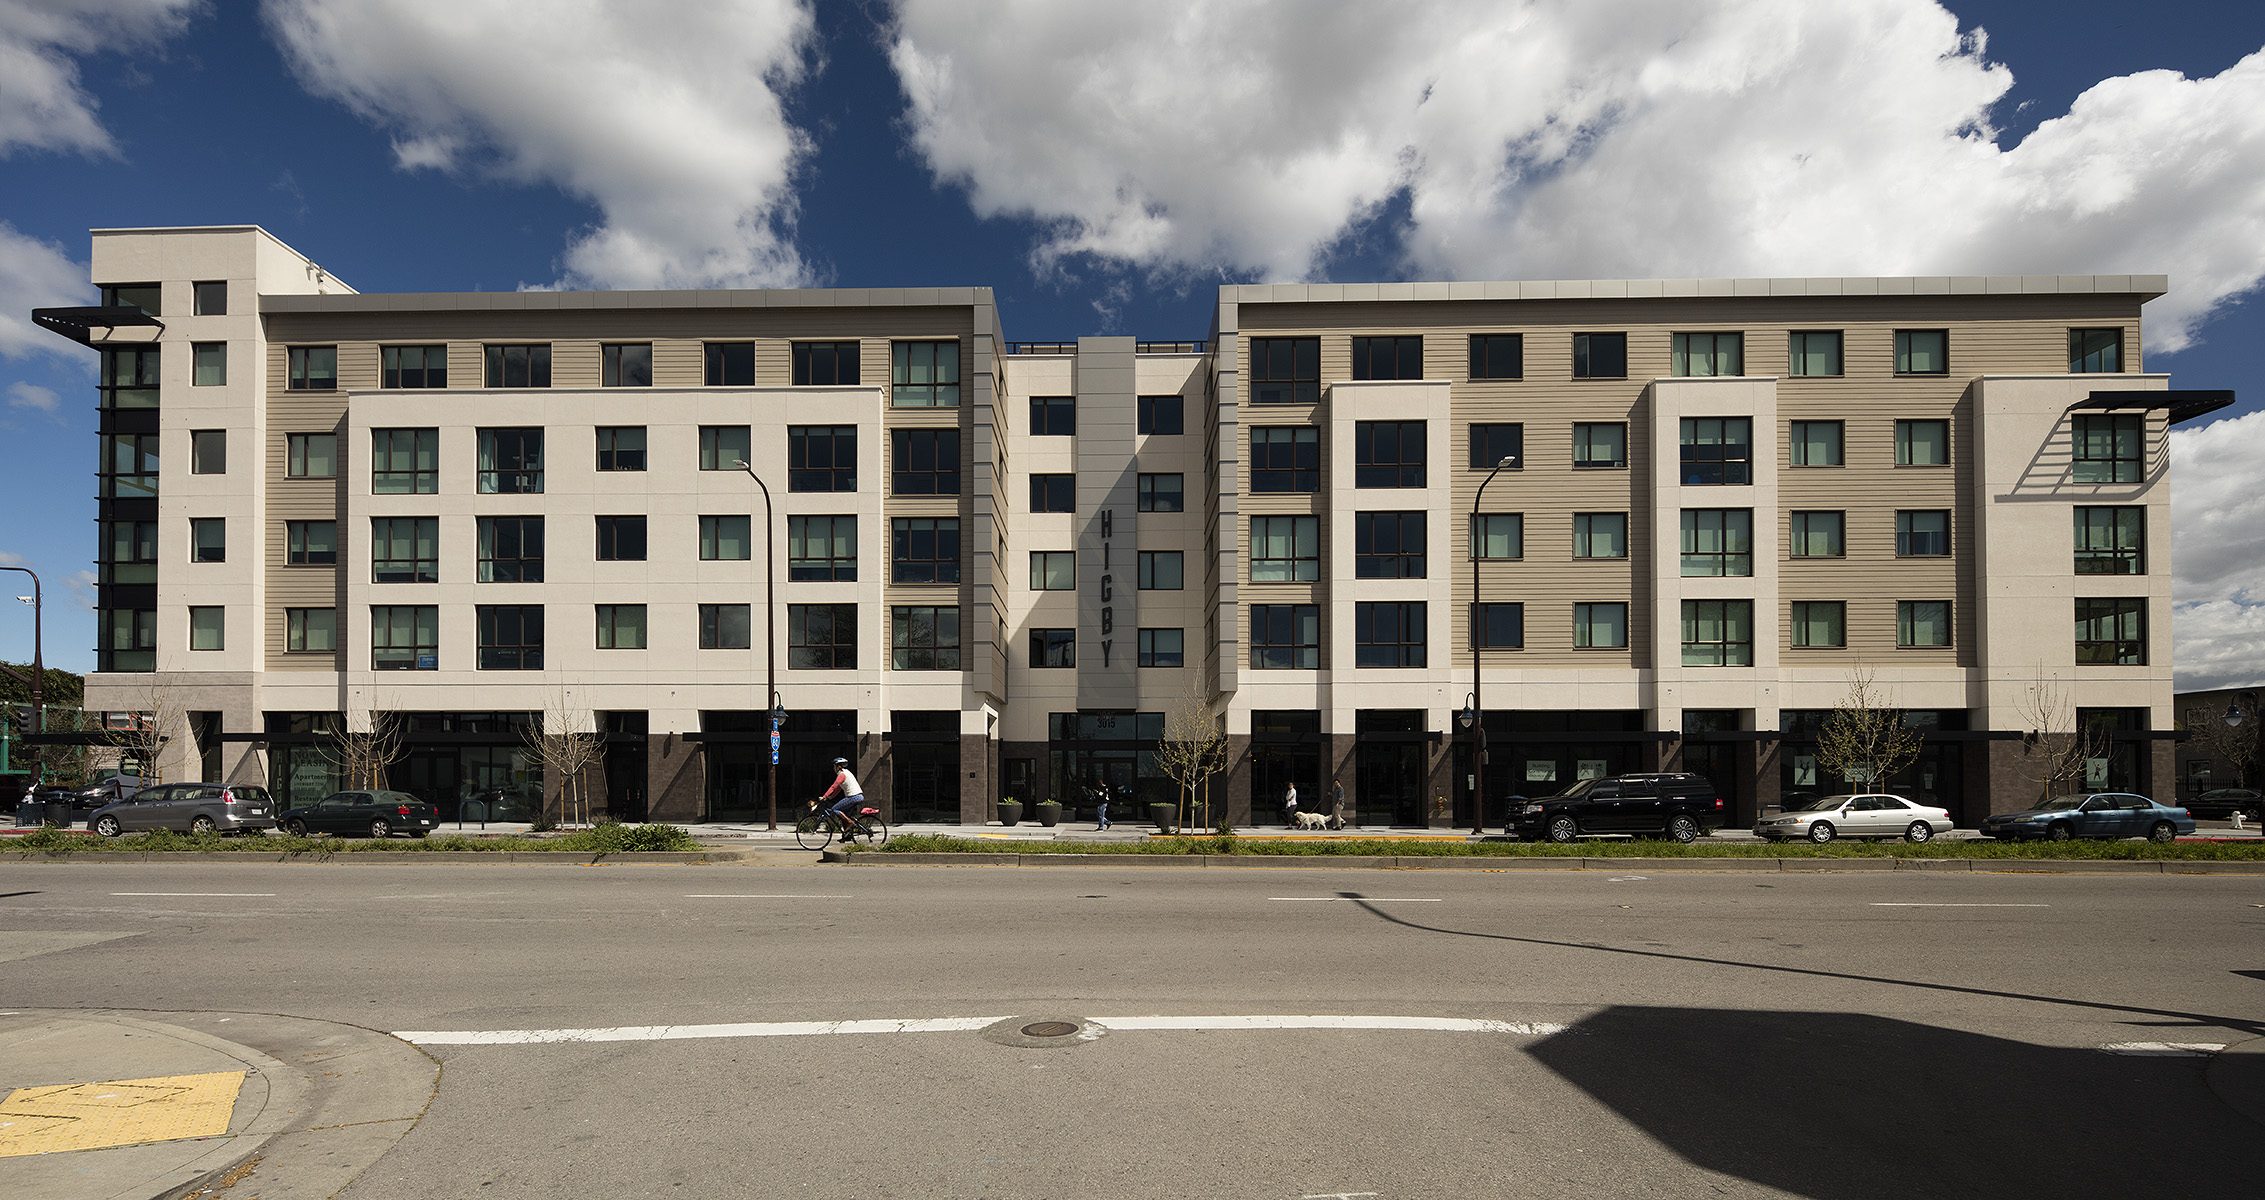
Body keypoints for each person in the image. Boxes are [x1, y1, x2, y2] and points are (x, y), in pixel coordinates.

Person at [816, 757, 865, 828]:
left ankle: (850, 823)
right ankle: (847, 835)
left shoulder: (841, 775)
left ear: (838, 766)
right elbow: (839, 788)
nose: (833, 768)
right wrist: (832, 797)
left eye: (834, 766)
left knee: (834, 809)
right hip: (858, 796)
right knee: (844, 815)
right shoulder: (847, 772)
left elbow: (833, 787)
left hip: (853, 797)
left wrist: (824, 797)